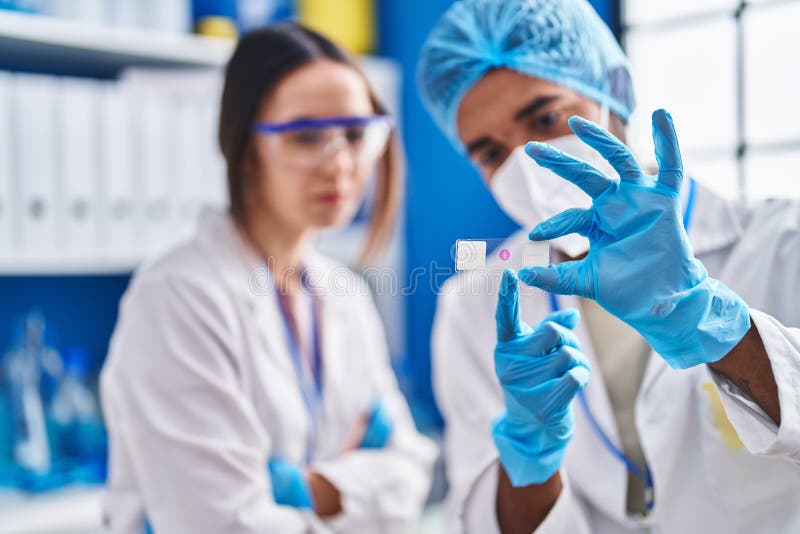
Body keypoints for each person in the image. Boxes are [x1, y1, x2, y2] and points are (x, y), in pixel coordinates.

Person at [417, 0, 800, 532]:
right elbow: (484, 520)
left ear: (613, 93)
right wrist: (528, 460)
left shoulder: (781, 242)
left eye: (545, 118)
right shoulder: (475, 303)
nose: (525, 162)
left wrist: (720, 329)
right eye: (490, 153)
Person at [101, 23, 435, 534]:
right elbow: (221, 525)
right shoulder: (176, 297)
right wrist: (352, 491)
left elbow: (410, 472)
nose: (341, 164)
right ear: (245, 149)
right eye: (306, 136)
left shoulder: (344, 293)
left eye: (355, 134)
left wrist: (300, 487)